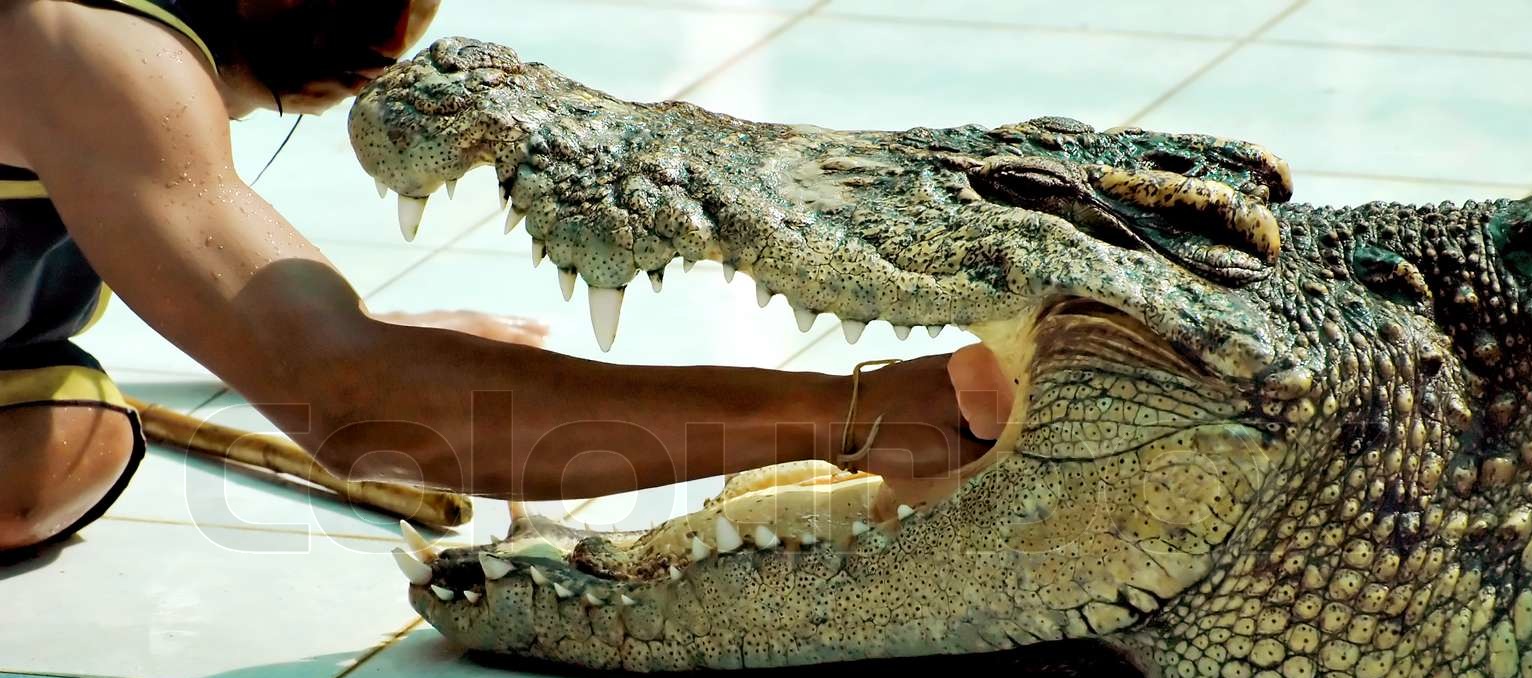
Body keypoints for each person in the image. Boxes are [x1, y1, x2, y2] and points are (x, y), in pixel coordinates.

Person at [0, 0, 1011, 554]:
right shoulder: (84, 39)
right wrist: (862, 413)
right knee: (60, 456)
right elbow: (362, 411)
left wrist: (337, 338)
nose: (395, 42)